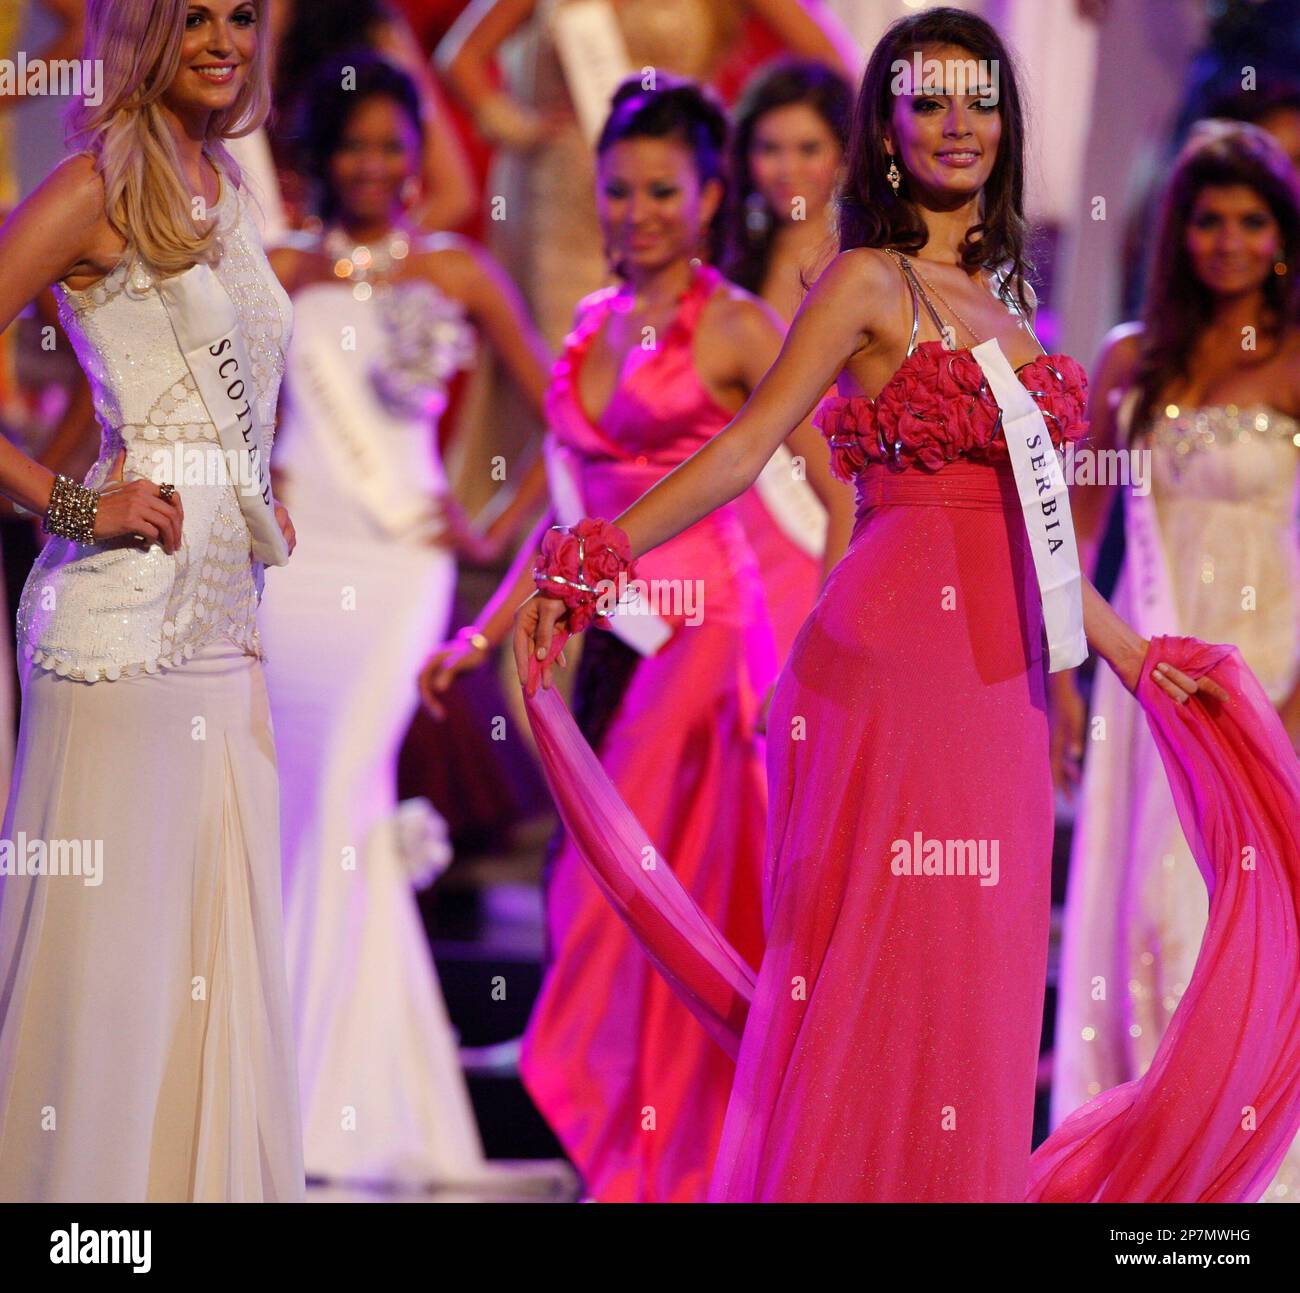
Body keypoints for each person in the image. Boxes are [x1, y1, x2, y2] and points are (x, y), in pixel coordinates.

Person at [510, 9, 1300, 1203]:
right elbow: (742, 452)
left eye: (977, 99)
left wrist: (1137, 662)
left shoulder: (1006, 307)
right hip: (884, 670)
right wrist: (593, 555)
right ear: (883, 130)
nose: (956, 123)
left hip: (1003, 691)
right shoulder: (865, 281)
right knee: (877, 975)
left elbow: (1035, 539)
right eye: (926, 101)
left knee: (976, 987)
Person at [422, 77, 850, 1201]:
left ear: (712, 197)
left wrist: (825, 648)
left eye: (663, 189)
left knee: (650, 900)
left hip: (709, 650)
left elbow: (837, 485)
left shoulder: (744, 327)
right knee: (599, 893)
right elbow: (575, 511)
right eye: (618, 190)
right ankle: (636, 1145)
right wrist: (482, 630)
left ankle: (680, 1155)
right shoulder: (590, 324)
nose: (636, 211)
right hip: (594, 648)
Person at [0, 0, 302, 1201]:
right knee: (115, 990)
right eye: (195, 18)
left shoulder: (218, 174)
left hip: (225, 630)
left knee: (206, 970)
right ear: (146, 33)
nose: (224, 38)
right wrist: (67, 507)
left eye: (241, 14)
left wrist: (259, 497)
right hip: (124, 641)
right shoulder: (94, 183)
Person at [262, 53, 553, 1187]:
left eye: (395, 144)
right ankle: (310, 1084)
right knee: (303, 809)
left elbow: (563, 407)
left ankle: (314, 1100)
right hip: (293, 564)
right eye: (354, 145)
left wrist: (489, 528)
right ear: (320, 154)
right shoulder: (278, 268)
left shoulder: (458, 271)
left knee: (342, 782)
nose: (376, 166)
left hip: (395, 569)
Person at [1051, 119, 1300, 1201]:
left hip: (1273, 672)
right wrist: (1065, 678)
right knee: (1153, 911)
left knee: (1247, 918)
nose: (1229, 241)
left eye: (1251, 220)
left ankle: (1252, 1175)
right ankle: (1156, 1169)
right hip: (1151, 673)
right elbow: (1074, 528)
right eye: (1207, 219)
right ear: (1176, 230)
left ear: (1283, 238)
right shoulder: (1126, 359)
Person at [724, 57, 852, 663]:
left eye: (809, 148)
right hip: (734, 525)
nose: (787, 170)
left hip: (828, 525)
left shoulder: (863, 276)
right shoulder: (727, 273)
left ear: (845, 158)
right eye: (769, 149)